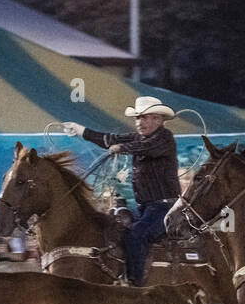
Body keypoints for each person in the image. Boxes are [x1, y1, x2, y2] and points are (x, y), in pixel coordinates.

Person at [63, 95, 181, 286]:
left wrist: (121, 147)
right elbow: (110, 139)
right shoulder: (138, 138)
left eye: (144, 117)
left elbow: (145, 147)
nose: (139, 122)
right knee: (113, 228)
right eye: (138, 118)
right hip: (145, 208)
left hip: (165, 208)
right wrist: (81, 131)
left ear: (158, 119)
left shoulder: (165, 138)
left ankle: (133, 283)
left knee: (137, 234)